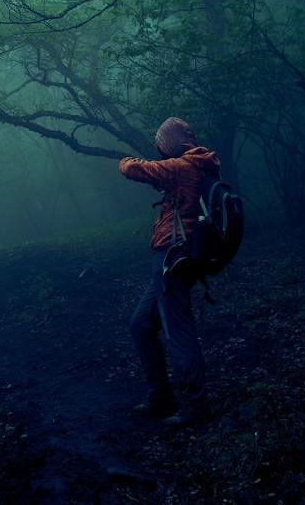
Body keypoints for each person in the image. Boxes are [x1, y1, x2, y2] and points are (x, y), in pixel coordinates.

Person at [118, 117, 220, 427]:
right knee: (141, 325)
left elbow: (132, 169)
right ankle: (161, 398)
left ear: (170, 144)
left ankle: (196, 406)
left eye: (162, 144)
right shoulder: (201, 165)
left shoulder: (182, 167)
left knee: (178, 331)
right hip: (180, 256)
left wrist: (125, 159)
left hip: (173, 256)